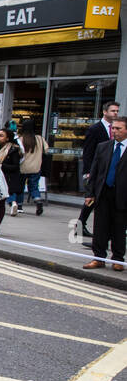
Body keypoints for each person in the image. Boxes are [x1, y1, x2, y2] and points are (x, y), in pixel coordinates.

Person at [82, 116, 127, 270]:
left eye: (118, 128)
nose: (114, 131)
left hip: (122, 195)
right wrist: (89, 193)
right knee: (100, 227)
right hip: (103, 193)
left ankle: (118, 260)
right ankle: (99, 258)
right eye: (113, 128)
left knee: (119, 228)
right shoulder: (103, 146)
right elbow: (94, 172)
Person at [77, 102, 117, 243]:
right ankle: (80, 226)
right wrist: (87, 171)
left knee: (95, 201)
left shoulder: (117, 130)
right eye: (113, 111)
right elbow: (88, 151)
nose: (115, 113)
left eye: (117, 111)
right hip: (95, 171)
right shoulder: (95, 129)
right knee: (91, 199)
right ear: (104, 112)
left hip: (109, 172)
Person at [14, 119, 47, 215]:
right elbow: (47, 150)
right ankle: (38, 200)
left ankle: (19, 205)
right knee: (34, 186)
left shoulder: (20, 139)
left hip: (23, 167)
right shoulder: (40, 139)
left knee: (20, 187)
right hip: (36, 167)